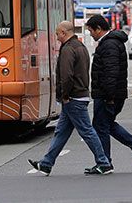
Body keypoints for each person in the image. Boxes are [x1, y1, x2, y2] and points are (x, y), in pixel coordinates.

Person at [29, 20, 113, 176]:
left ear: (63, 32)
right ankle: (46, 164)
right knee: (61, 132)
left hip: (73, 98)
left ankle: (103, 162)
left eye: (57, 34)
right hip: (79, 95)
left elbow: (66, 76)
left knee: (87, 131)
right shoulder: (81, 47)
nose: (56, 37)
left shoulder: (68, 49)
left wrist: (65, 95)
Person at [85, 14, 132, 171]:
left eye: (91, 31)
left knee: (101, 126)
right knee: (106, 125)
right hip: (111, 94)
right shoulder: (112, 43)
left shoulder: (109, 45)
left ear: (99, 29)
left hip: (108, 95)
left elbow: (111, 72)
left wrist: (109, 96)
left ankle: (106, 162)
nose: (90, 34)